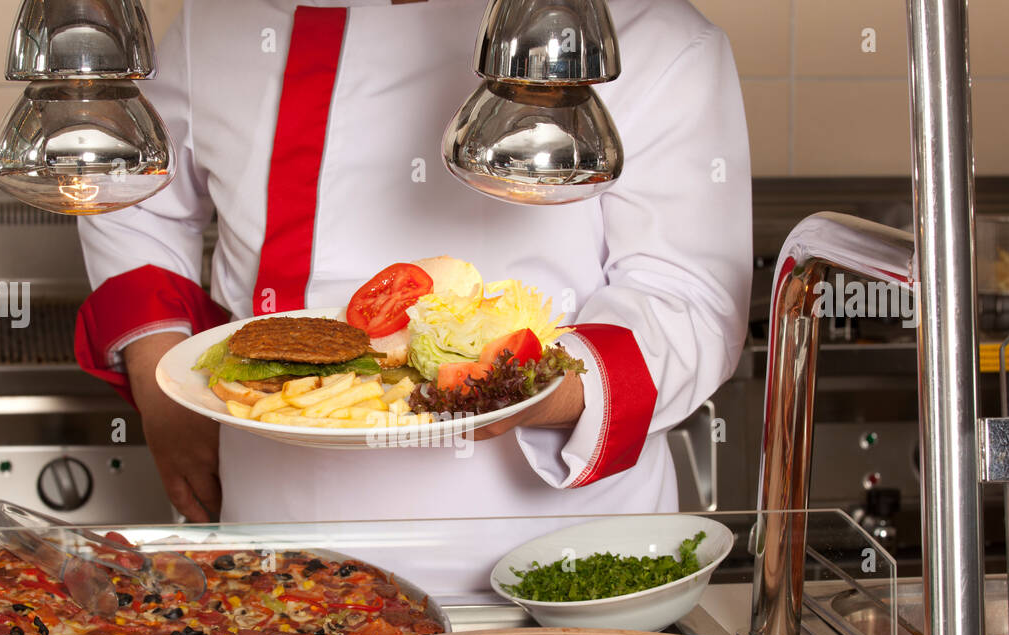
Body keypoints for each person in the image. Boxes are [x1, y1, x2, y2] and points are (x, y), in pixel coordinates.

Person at [75, 0, 752, 539]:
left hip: (561, 564)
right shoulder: (222, 19)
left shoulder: (653, 32)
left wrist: (540, 390)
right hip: (283, 543)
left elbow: (688, 297)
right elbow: (129, 191)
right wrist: (161, 383)